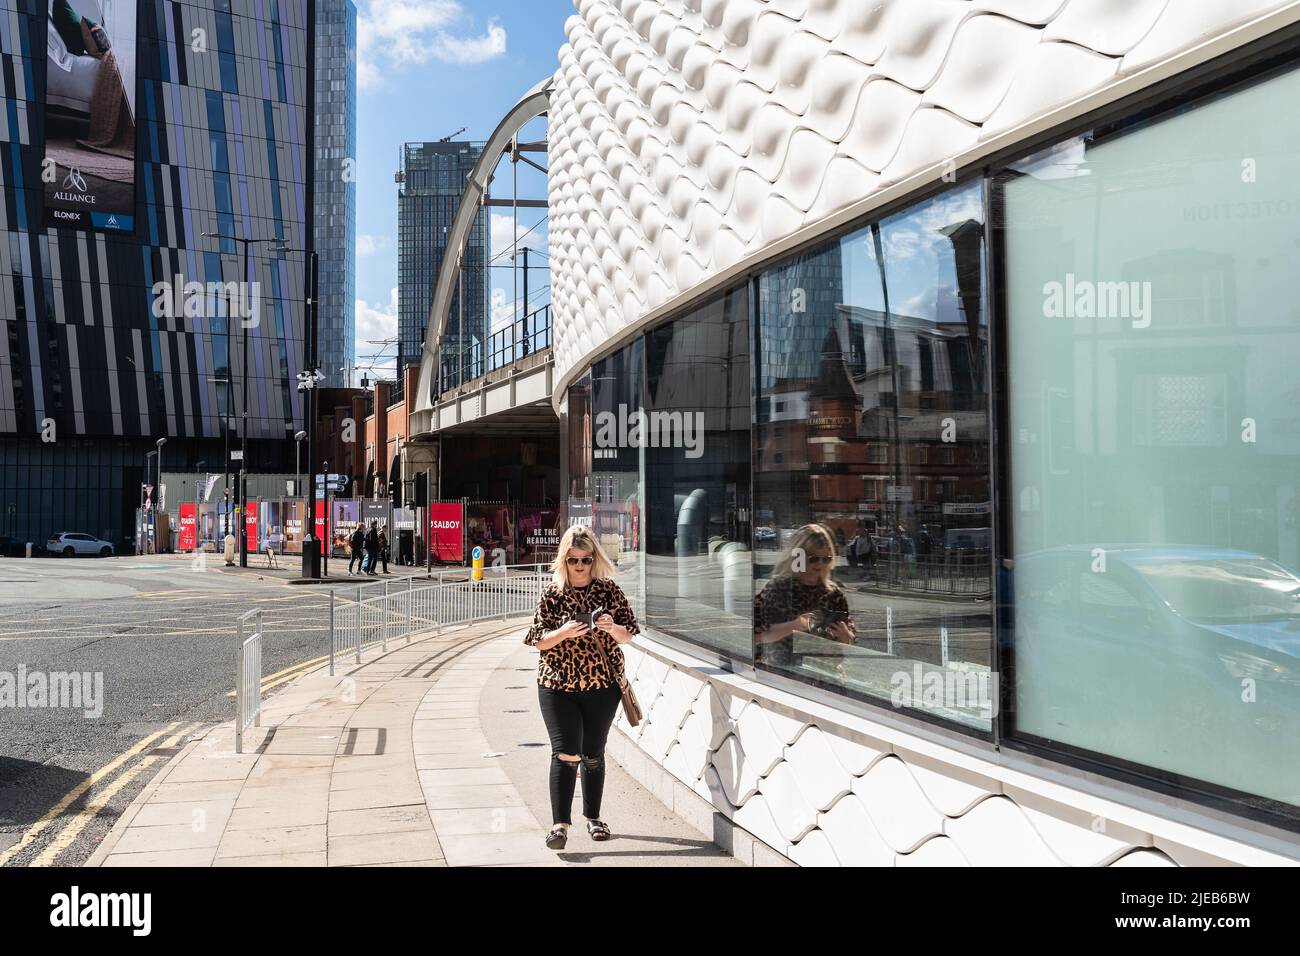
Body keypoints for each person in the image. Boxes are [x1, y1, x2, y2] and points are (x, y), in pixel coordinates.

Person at [524, 525, 639, 851]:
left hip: (602, 687)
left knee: (592, 754)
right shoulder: (552, 594)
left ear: (594, 560)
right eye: (573, 560)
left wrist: (610, 626)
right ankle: (559, 826)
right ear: (564, 560)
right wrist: (564, 632)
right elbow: (537, 639)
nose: (579, 566)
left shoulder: (609, 591)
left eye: (586, 559)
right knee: (565, 753)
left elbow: (628, 634)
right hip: (557, 685)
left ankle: (593, 817)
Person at [753, 523, 855, 668]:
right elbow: (755, 636)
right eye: (813, 559)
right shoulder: (778, 589)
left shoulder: (834, 594)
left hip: (827, 677)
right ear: (798, 557)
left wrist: (846, 637)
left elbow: (849, 643)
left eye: (826, 559)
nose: (819, 564)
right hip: (785, 676)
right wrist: (794, 625)